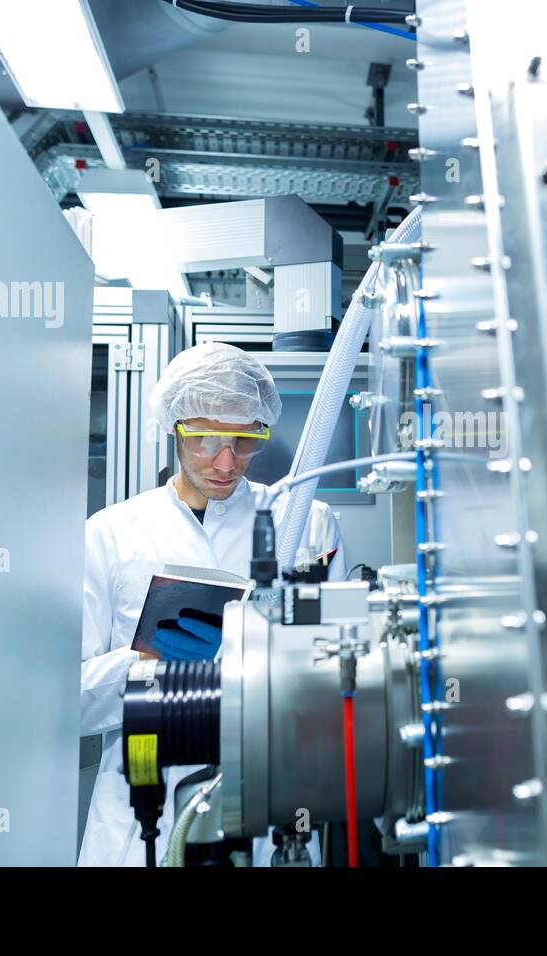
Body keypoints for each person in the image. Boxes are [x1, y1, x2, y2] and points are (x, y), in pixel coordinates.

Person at [79, 342, 346, 866]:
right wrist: (150, 665)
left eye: (244, 441)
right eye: (204, 439)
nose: (226, 462)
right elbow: (68, 703)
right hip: (141, 809)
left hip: (269, 801)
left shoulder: (306, 522)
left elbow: (340, 684)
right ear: (175, 428)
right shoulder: (111, 534)